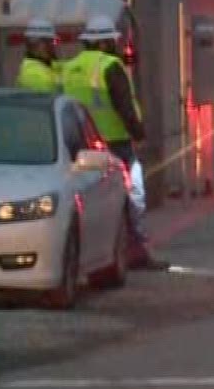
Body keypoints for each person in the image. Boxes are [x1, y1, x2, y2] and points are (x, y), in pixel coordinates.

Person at [60, 16, 158, 268]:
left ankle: (98, 254)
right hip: (116, 145)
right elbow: (124, 106)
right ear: (104, 43)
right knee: (132, 196)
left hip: (80, 146)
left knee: (95, 202)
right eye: (113, 41)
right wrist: (139, 135)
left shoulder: (69, 68)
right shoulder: (110, 66)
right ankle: (135, 252)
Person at [15, 19, 61, 94]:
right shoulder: (34, 74)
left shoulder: (46, 65)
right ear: (33, 43)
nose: (52, 46)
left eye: (53, 42)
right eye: (48, 42)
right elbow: (47, 102)